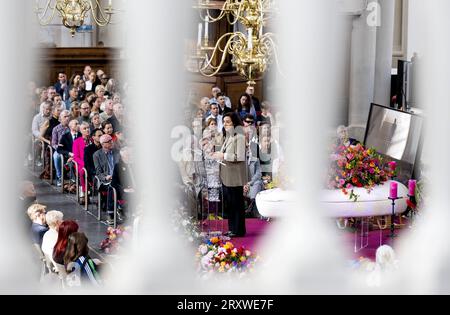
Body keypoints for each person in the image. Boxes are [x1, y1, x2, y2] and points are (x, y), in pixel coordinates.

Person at [213, 112, 247, 237]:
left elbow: (240, 156)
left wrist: (223, 155)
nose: (225, 124)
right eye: (224, 122)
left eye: (228, 121)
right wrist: (216, 154)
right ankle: (232, 229)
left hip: (235, 176)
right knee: (230, 205)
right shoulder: (228, 136)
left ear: (234, 122)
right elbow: (223, 152)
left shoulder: (240, 136)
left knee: (236, 204)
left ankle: (239, 230)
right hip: (226, 175)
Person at [93, 134, 120, 224]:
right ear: (103, 144)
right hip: (105, 181)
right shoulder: (97, 155)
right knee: (111, 187)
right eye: (108, 141)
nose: (111, 142)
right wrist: (106, 177)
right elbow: (98, 172)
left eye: (111, 140)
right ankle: (110, 213)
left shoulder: (117, 152)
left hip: (117, 178)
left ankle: (121, 207)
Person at [111, 147, 136, 219]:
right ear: (122, 157)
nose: (130, 157)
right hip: (124, 190)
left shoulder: (135, 165)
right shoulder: (118, 166)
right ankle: (132, 214)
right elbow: (114, 183)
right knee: (133, 196)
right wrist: (124, 189)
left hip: (136, 188)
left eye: (131, 155)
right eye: (128, 155)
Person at [73, 122, 91, 203]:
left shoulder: (93, 140)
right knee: (83, 172)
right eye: (85, 128)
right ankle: (84, 192)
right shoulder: (77, 141)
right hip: (81, 164)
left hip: (92, 164)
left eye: (88, 128)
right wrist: (85, 164)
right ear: (80, 131)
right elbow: (76, 157)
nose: (87, 130)